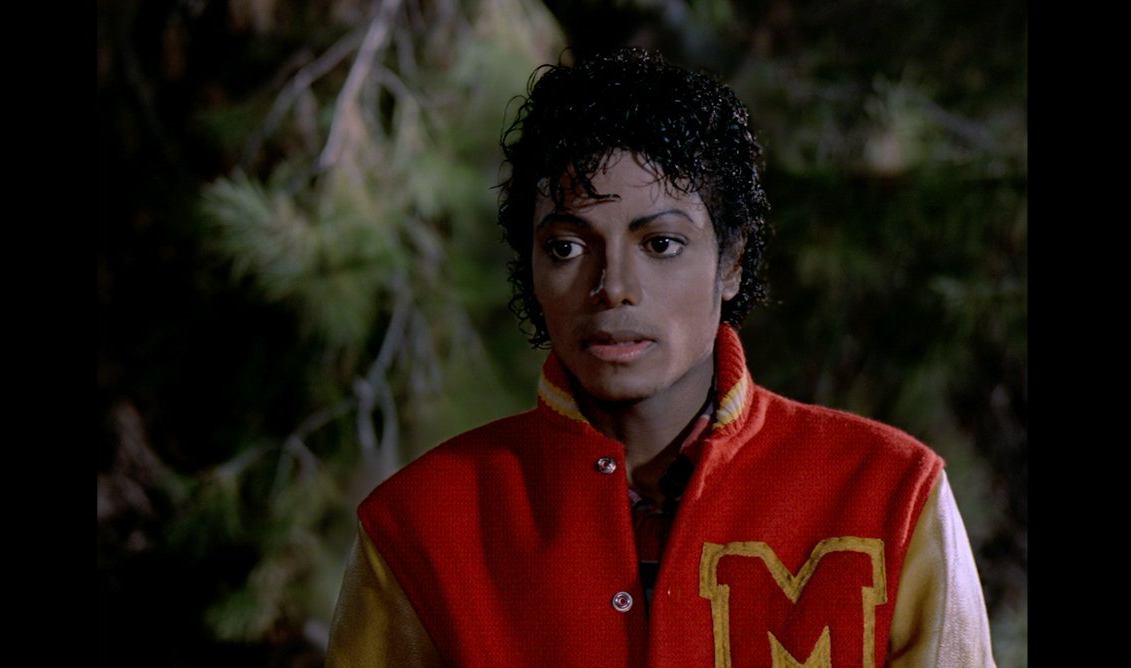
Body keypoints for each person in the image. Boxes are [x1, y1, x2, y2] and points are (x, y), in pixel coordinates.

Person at [325, 47, 997, 667]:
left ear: (730, 261)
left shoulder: (890, 496)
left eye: (661, 243)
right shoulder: (420, 524)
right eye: (566, 246)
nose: (612, 286)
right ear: (530, 265)